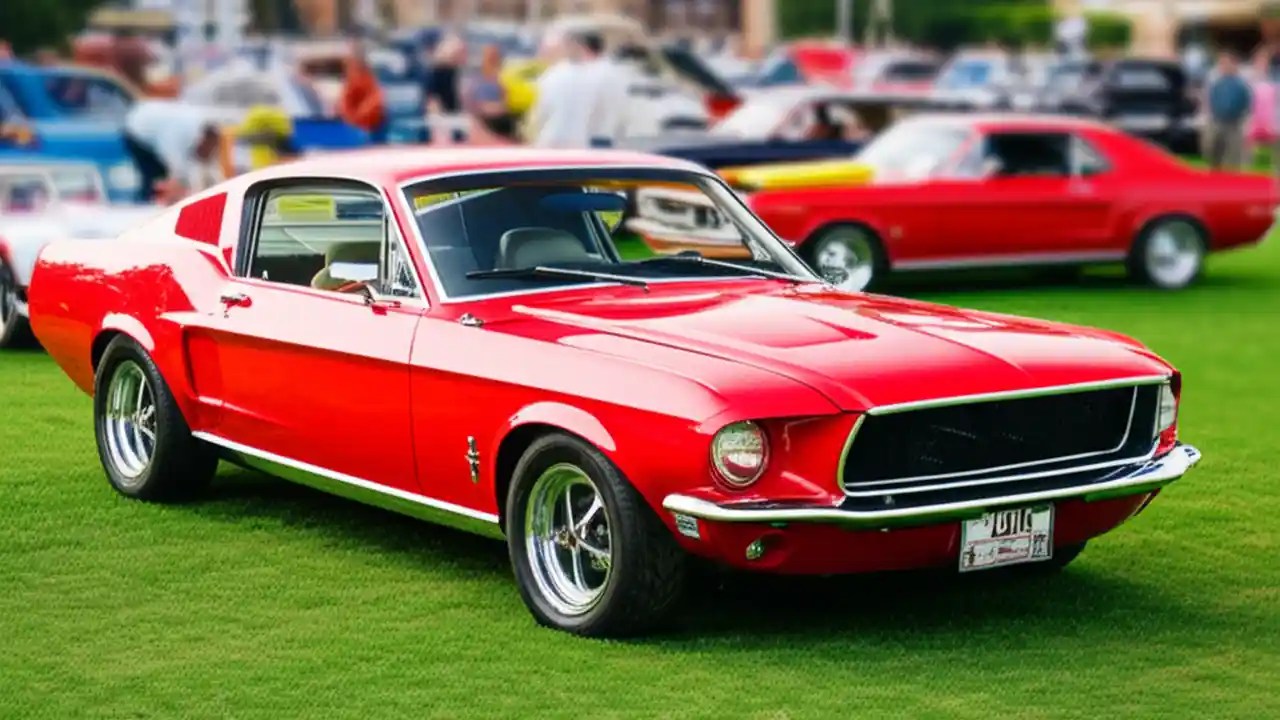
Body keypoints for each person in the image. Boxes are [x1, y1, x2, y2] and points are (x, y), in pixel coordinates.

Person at [122, 100, 220, 203]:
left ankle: (154, 199)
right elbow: (171, 155)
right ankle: (146, 203)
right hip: (137, 131)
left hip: (149, 122)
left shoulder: (197, 129)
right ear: (203, 140)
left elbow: (197, 158)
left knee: (167, 176)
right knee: (155, 176)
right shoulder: (179, 130)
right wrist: (181, 177)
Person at [530, 33, 590, 148]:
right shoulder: (587, 74)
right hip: (580, 141)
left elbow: (540, 111)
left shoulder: (549, 77)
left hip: (551, 140)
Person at [1203, 51, 1253, 170]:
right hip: (1217, 122)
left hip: (1234, 124)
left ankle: (1232, 180)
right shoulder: (1217, 84)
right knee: (1214, 152)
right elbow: (1211, 100)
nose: (1223, 66)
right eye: (1221, 63)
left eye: (1226, 63)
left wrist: (1240, 118)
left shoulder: (1241, 85)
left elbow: (1246, 103)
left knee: (1233, 156)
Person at [578, 32, 629, 148]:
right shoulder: (615, 71)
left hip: (590, 137)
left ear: (584, 49)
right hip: (612, 136)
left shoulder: (589, 73)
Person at [336, 42, 385, 140]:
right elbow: (345, 103)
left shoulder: (367, 78)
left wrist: (356, 118)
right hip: (357, 127)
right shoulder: (352, 78)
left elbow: (375, 101)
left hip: (368, 127)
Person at [465, 44, 514, 139]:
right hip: (482, 124)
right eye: (489, 57)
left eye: (495, 57)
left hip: (502, 124)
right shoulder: (476, 80)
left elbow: (507, 101)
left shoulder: (504, 79)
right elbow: (477, 105)